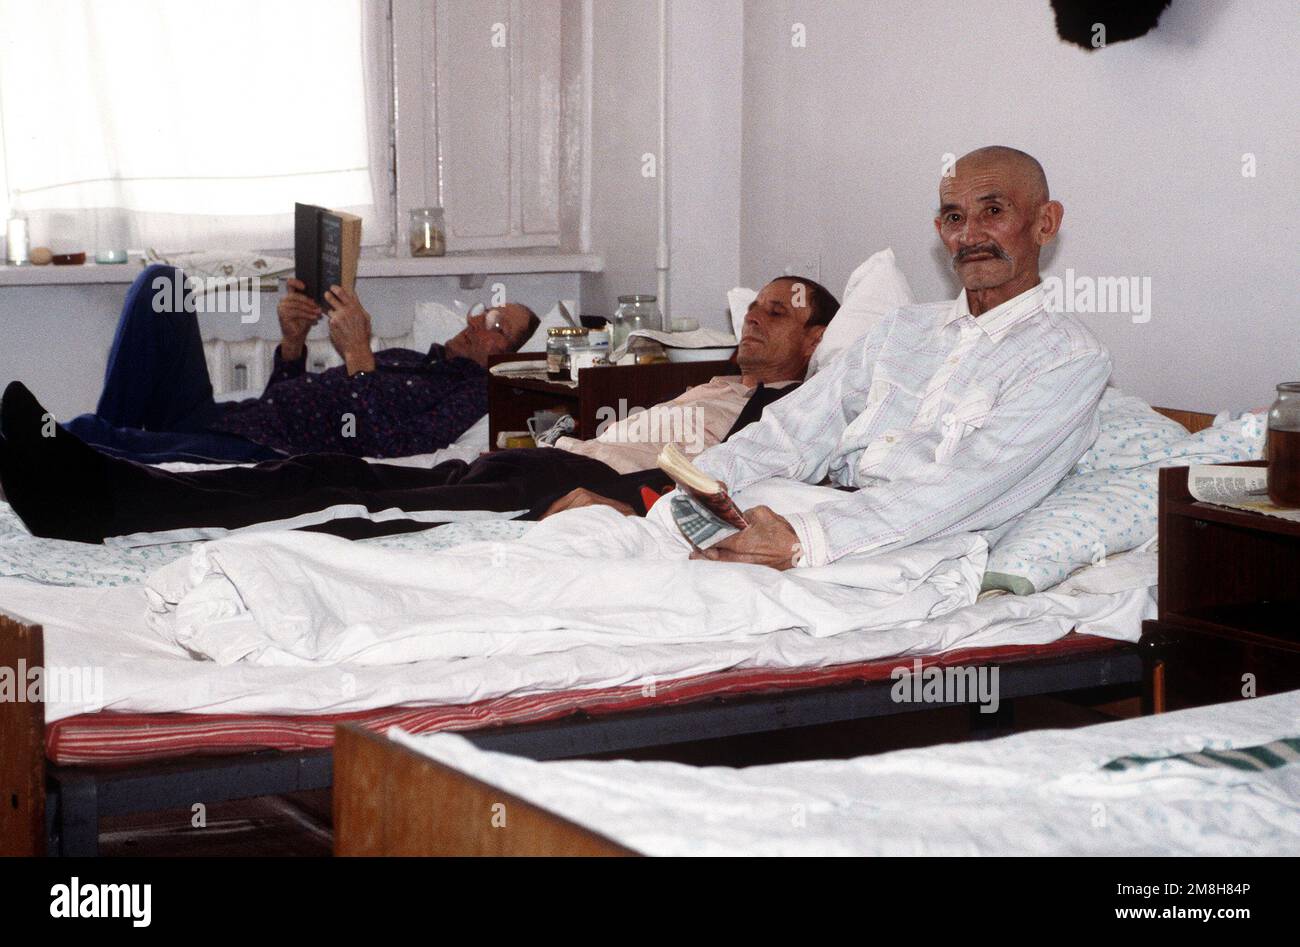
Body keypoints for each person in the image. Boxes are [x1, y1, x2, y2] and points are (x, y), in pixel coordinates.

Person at [0, 277, 837, 543]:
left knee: (346, 505)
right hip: (544, 464)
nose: (753, 318)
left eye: (778, 312)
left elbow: (718, 493)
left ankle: (104, 499)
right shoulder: (715, 386)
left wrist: (626, 502)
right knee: (321, 471)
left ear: (820, 338)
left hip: (573, 490)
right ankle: (102, 488)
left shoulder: (791, 412)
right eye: (753, 306)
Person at [615, 146, 1111, 571]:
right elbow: (794, 427)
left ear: (1045, 223)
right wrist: (704, 490)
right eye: (955, 218)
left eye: (993, 211)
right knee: (592, 548)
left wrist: (800, 540)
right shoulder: (903, 330)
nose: (970, 235)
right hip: (800, 512)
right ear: (940, 230)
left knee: (638, 606)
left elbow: (963, 489)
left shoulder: (1068, 360)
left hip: (911, 553)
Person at [59, 264, 539, 463]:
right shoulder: (409, 359)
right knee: (161, 284)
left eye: (496, 326)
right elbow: (282, 399)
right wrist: (293, 346)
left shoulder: (473, 395)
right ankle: (106, 449)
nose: (479, 320)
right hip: (235, 418)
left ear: (510, 360)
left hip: (270, 452)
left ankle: (84, 445)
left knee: (93, 435)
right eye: (485, 311)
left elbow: (395, 449)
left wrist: (358, 356)